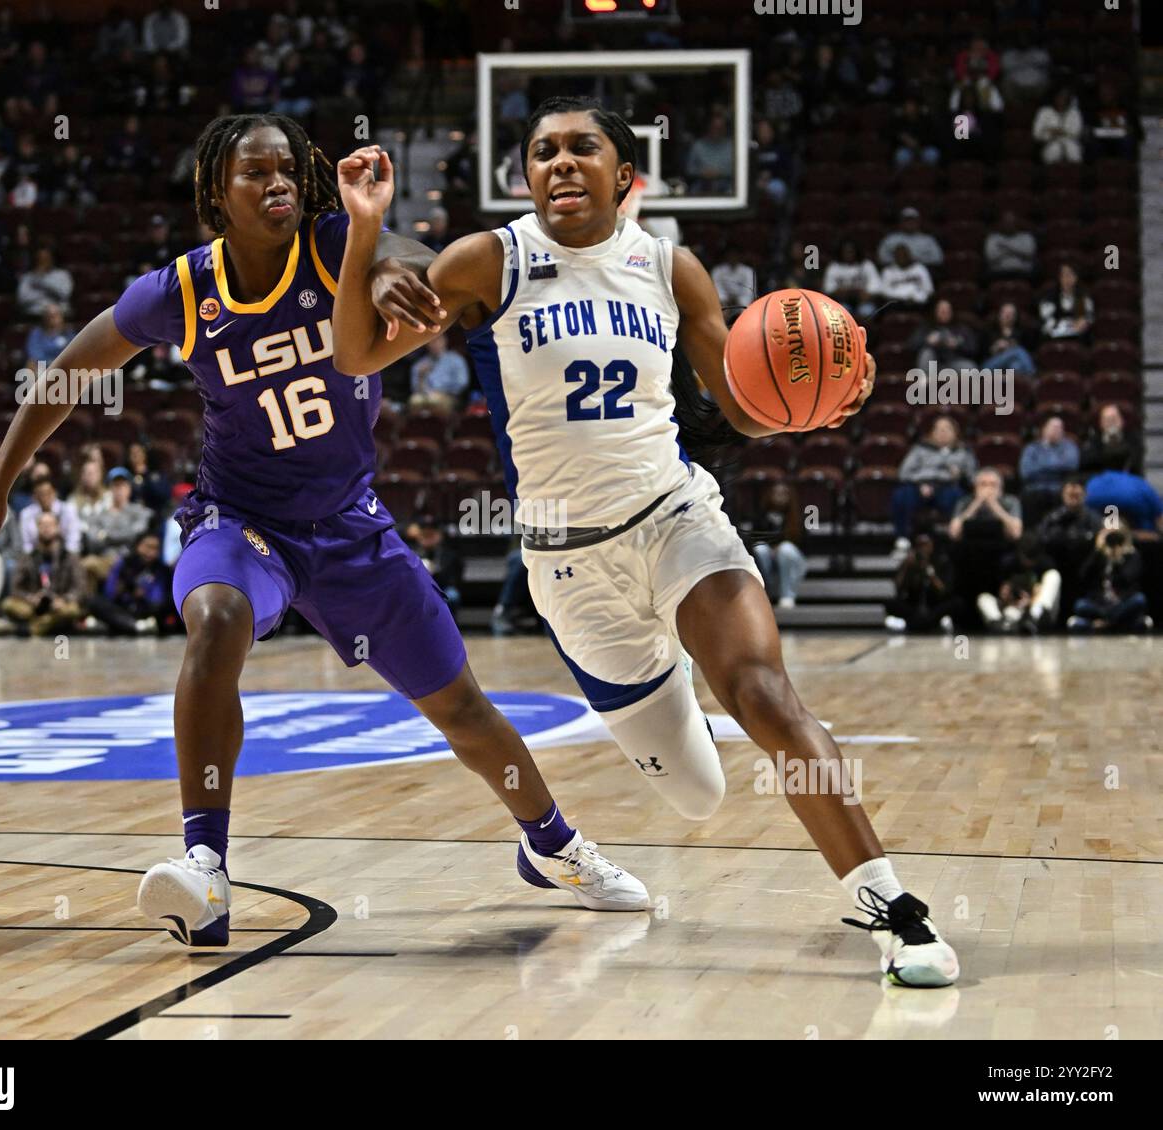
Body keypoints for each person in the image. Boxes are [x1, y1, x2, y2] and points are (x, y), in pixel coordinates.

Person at [0, 112, 647, 950]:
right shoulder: (182, 289)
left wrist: (396, 274)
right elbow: (66, 374)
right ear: (218, 191)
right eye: (256, 173)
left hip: (350, 527)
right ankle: (204, 868)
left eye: (287, 169)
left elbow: (422, 263)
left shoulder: (331, 242)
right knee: (214, 620)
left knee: (462, 708)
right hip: (239, 521)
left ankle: (553, 846)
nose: (277, 182)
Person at [332, 95, 959, 987]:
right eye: (542, 151)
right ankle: (664, 707)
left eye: (582, 148)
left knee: (765, 694)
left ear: (625, 177)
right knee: (699, 797)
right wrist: (366, 233)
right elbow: (355, 355)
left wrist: (811, 409)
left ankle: (894, 910)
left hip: (674, 515)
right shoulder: (490, 260)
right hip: (567, 563)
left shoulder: (671, 268)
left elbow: (740, 408)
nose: (559, 163)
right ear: (526, 175)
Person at [0, 511, 87, 637]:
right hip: (34, 605)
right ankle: (47, 626)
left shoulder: (69, 557)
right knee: (8, 604)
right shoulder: (28, 557)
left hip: (59, 605)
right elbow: (16, 587)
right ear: (37, 528)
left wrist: (64, 599)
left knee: (72, 609)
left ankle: (32, 628)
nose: (46, 528)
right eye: (42, 525)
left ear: (57, 528)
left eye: (50, 525)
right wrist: (30, 598)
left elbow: (79, 588)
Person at [891, 416, 977, 545]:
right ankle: (902, 538)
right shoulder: (920, 449)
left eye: (947, 429)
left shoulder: (964, 452)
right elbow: (904, 473)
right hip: (919, 486)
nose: (942, 432)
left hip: (948, 486)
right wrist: (920, 484)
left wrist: (961, 475)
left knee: (958, 497)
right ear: (932, 433)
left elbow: (973, 477)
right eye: (938, 429)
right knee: (901, 495)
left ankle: (955, 538)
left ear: (955, 433)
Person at [86, 531, 174, 635]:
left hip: (148, 611)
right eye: (148, 547)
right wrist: (120, 590)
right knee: (94, 602)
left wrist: (142, 594)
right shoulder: (124, 564)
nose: (151, 552)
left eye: (155, 549)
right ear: (138, 546)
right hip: (124, 608)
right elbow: (109, 592)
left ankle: (124, 625)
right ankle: (136, 626)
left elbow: (158, 599)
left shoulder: (162, 569)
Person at [1067, 528, 1151, 632]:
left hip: (1122, 602)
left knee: (1139, 599)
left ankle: (1103, 624)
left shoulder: (1132, 556)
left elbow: (1127, 579)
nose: (1114, 544)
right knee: (1080, 605)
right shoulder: (1099, 556)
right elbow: (1083, 576)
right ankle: (1117, 624)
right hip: (1100, 605)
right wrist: (1098, 550)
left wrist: (1119, 559)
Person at [976, 533, 1061, 634]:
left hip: (1037, 611)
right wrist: (1005, 597)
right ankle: (1001, 626)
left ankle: (1033, 618)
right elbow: (999, 594)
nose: (1029, 562)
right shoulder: (1007, 564)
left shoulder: (1046, 564)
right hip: (1013, 612)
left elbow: (1047, 593)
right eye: (1026, 557)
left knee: (1053, 575)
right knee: (983, 598)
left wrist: (1031, 600)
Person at [745, 481, 807, 609]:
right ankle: (764, 591)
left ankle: (787, 595)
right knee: (760, 549)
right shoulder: (761, 515)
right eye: (776, 493)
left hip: (791, 560)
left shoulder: (798, 516)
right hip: (769, 558)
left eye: (784, 493)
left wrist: (779, 546)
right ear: (770, 495)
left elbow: (804, 544)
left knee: (786, 549)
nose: (780, 496)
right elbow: (754, 538)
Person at [884, 533, 961, 634]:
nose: (923, 549)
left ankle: (911, 624)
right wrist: (906, 567)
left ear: (931, 546)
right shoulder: (910, 563)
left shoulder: (941, 562)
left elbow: (944, 590)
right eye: (920, 545)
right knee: (890, 603)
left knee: (957, 603)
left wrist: (931, 574)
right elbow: (898, 588)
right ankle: (929, 623)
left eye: (926, 545)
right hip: (915, 605)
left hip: (934, 604)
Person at [1019, 415, 1079, 523]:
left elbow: (1071, 466)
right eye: (1053, 427)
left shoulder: (1069, 447)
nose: (1057, 430)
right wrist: (1057, 468)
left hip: (1059, 487)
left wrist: (1041, 466)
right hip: (1035, 489)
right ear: (1044, 429)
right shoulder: (1031, 448)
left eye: (1060, 428)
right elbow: (1026, 472)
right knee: (1028, 496)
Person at [403, 514, 462, 610]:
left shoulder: (448, 554)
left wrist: (435, 571)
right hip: (418, 589)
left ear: (439, 534)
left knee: (452, 595)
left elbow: (454, 580)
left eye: (431, 534)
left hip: (442, 588)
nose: (428, 537)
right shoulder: (411, 552)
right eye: (425, 534)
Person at [19, 478, 83, 555]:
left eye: (48, 493)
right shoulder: (26, 514)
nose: (45, 497)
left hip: (64, 555)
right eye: (41, 494)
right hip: (36, 556)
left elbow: (74, 540)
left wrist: (67, 556)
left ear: (54, 493)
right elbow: (26, 545)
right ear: (35, 496)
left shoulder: (68, 510)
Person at [407, 335, 469, 412]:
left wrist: (441, 391)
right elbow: (415, 389)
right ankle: (418, 424)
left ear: (445, 341)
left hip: (449, 395)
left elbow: (462, 383)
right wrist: (421, 377)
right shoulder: (420, 364)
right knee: (415, 401)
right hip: (426, 395)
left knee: (435, 401)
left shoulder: (456, 359)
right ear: (426, 344)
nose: (435, 344)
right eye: (431, 341)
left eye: (437, 340)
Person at [821, 240, 879, 319]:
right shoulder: (834, 266)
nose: (848, 254)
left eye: (851, 251)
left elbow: (876, 287)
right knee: (842, 312)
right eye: (846, 251)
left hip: (863, 303)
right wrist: (841, 292)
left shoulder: (866, 265)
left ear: (856, 251)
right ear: (841, 252)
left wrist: (866, 294)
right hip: (842, 302)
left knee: (867, 311)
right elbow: (828, 288)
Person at [1081, 403, 1141, 476]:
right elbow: (1087, 463)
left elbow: (1135, 462)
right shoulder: (1094, 440)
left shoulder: (1132, 439)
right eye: (1107, 420)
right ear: (1101, 423)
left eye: (1114, 419)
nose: (1111, 423)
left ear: (1122, 421)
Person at [1038, 262, 1093, 341]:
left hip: (1077, 337)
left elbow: (1087, 317)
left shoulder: (1082, 298)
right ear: (1059, 278)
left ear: (1076, 278)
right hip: (1054, 337)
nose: (1067, 279)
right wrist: (1060, 327)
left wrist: (1083, 322)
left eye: (1070, 275)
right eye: (1064, 275)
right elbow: (1046, 320)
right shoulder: (1050, 298)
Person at [877, 206, 943, 269]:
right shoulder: (890, 239)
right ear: (901, 222)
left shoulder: (928, 240)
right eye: (906, 220)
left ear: (918, 222)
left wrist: (917, 261)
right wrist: (900, 261)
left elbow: (937, 258)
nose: (910, 223)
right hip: (896, 271)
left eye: (912, 220)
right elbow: (882, 258)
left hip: (921, 270)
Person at [981, 302, 1035, 375]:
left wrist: (1010, 347)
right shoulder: (989, 331)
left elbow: (1030, 350)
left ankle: (1012, 385)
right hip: (990, 365)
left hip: (1011, 363)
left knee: (1016, 366)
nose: (1008, 316)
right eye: (1005, 313)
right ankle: (1031, 373)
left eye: (1011, 314)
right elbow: (980, 354)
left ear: (1016, 317)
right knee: (1018, 350)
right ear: (999, 315)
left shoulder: (1021, 333)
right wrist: (995, 347)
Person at [1033, 87, 1083, 164]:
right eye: (1059, 97)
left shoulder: (1074, 113)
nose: (1061, 99)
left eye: (1065, 97)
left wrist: (1054, 130)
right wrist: (1051, 134)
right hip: (1049, 144)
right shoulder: (1044, 111)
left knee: (1073, 151)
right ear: (1054, 98)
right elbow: (1037, 134)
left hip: (1071, 144)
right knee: (1054, 150)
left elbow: (1076, 133)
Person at [876, 242, 934, 309]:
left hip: (917, 304)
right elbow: (883, 292)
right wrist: (902, 297)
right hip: (895, 305)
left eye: (904, 255)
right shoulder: (888, 271)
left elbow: (929, 290)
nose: (902, 257)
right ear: (894, 257)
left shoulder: (920, 268)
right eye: (899, 255)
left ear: (910, 255)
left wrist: (917, 297)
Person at [983, 211, 1036, 279]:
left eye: (1011, 222)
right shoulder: (993, 238)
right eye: (1006, 223)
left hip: (1023, 273)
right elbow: (991, 258)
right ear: (1001, 223)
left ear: (1016, 223)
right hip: (998, 273)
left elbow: (1029, 256)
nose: (1009, 225)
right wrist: (1018, 253)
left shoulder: (1027, 237)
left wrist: (1006, 248)